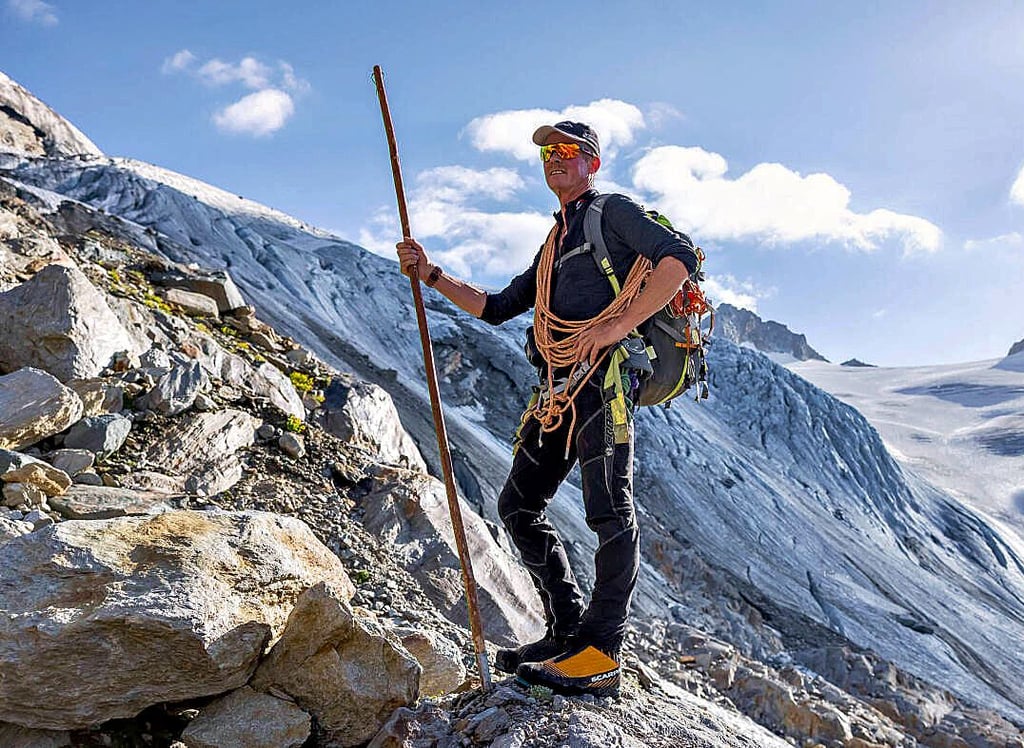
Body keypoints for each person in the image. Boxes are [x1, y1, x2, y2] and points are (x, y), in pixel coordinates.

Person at [396, 121, 699, 697]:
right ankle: (565, 630)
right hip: (559, 388)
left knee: (610, 511)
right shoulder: (557, 239)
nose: (553, 159)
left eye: (566, 151)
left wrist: (612, 326)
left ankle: (601, 651)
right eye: (547, 153)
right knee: (517, 504)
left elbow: (677, 259)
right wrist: (431, 274)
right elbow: (496, 306)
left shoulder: (612, 211)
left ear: (592, 162)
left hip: (604, 381)